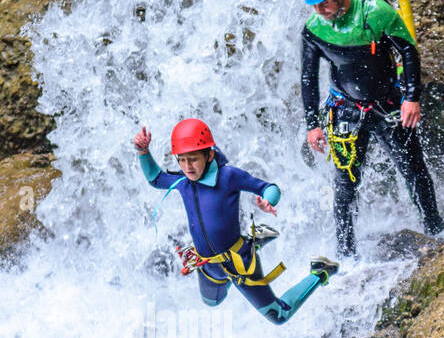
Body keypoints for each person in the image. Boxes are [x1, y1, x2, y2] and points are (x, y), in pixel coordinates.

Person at [299, 0, 444, 256]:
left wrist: (411, 98)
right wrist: (312, 124)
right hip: (345, 110)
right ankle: (346, 253)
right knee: (344, 183)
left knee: (413, 169)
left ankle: (437, 231)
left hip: (388, 105)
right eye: (314, 4)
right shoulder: (314, 28)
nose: (319, 10)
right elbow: (308, 76)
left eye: (324, 2)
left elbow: (408, 52)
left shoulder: (376, 12)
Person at [133, 118, 338, 325]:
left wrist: (267, 201)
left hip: (239, 262)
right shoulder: (183, 181)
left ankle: (320, 272)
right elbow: (156, 179)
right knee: (212, 302)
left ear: (209, 154)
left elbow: (269, 188)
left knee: (278, 316)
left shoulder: (228, 176)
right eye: (182, 160)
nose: (188, 167)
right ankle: (255, 240)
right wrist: (143, 152)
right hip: (207, 263)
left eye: (193, 159)